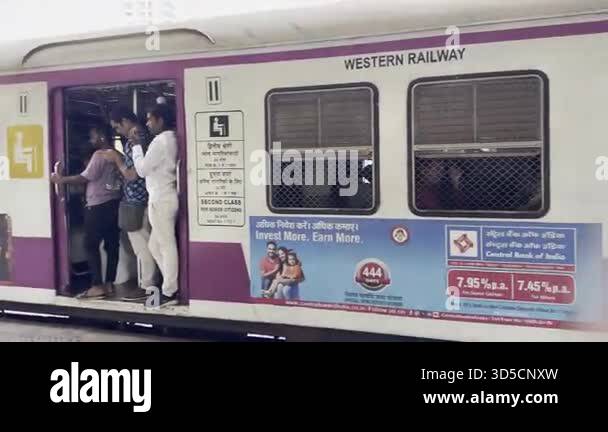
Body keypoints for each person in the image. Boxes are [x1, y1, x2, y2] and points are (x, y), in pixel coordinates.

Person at [106, 103, 179, 306]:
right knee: (155, 246)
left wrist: (137, 147)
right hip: (163, 196)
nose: (147, 123)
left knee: (165, 245)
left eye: (150, 119)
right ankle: (169, 284)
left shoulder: (160, 141)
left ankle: (170, 291)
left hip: (161, 198)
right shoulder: (171, 138)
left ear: (160, 120)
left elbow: (142, 169)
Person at [50, 124, 122, 299]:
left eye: (93, 135)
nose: (91, 140)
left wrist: (61, 179)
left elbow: (84, 177)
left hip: (97, 206)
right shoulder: (117, 155)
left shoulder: (99, 155)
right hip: (114, 204)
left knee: (90, 245)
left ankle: (97, 285)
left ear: (101, 135)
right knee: (112, 245)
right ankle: (109, 283)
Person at [107, 106, 159, 301]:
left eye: (117, 127)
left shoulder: (134, 139)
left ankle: (147, 286)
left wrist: (116, 160)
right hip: (148, 199)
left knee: (142, 247)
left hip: (137, 201)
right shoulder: (146, 135)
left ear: (125, 121)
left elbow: (132, 174)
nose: (117, 131)